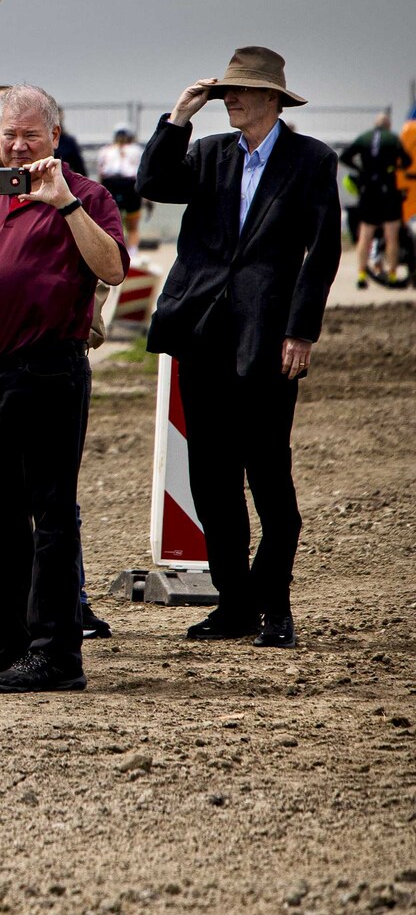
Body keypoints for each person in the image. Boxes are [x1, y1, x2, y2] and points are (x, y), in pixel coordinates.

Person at [0, 84, 127, 693]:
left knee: (51, 517)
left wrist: (65, 205)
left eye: (30, 135)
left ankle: (56, 654)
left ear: (54, 136)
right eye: (6, 134)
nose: (16, 146)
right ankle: (4, 645)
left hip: (49, 371)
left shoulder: (87, 195)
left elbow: (112, 268)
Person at [141, 49, 340, 650]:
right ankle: (234, 606)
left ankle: (274, 605)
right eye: (225, 90)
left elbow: (324, 251)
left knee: (270, 478)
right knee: (210, 479)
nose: (229, 98)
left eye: (242, 90)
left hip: (269, 340)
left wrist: (302, 330)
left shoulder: (311, 159)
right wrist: (179, 117)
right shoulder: (207, 153)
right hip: (201, 333)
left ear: (273, 99)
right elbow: (152, 183)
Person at [341, 111, 408, 289]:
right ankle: (392, 275)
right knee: (391, 235)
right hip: (389, 192)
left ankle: (361, 276)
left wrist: (361, 170)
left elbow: (344, 157)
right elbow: (407, 161)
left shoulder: (364, 138)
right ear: (388, 125)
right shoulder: (392, 139)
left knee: (365, 234)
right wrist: (394, 167)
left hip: (368, 192)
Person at [96, 124, 147, 248]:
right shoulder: (135, 150)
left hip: (119, 185)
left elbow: (101, 174)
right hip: (124, 185)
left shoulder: (106, 150)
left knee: (122, 223)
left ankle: (127, 250)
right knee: (120, 224)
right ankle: (126, 250)